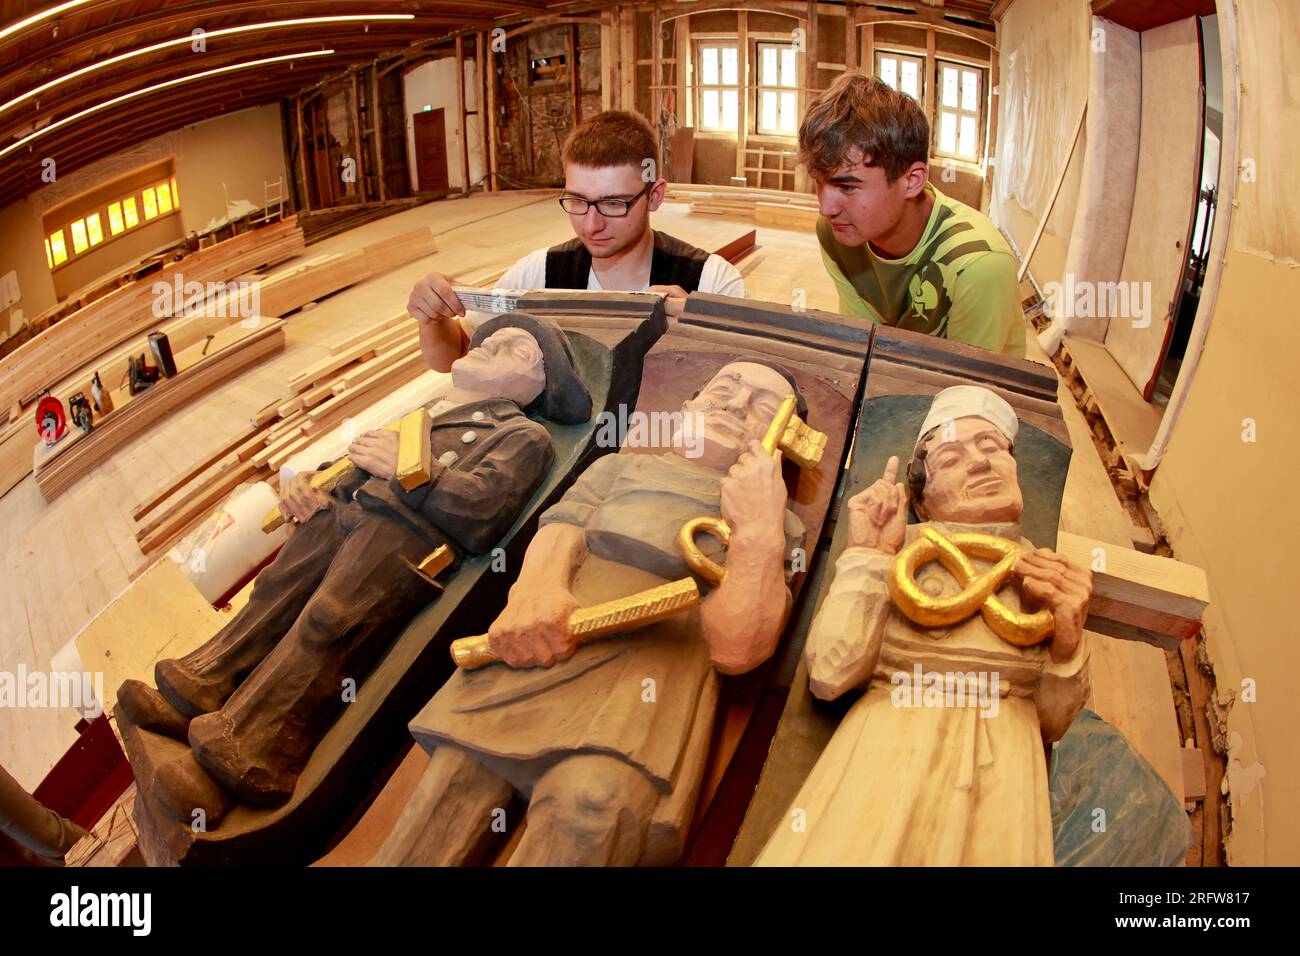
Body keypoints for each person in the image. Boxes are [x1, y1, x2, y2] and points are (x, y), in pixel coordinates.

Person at [116, 314, 591, 822]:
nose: (491, 344)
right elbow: (358, 466)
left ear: (540, 385)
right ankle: (205, 681)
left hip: (408, 544)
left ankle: (248, 752)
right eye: (491, 339)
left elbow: (481, 516)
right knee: (280, 584)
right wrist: (316, 485)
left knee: (328, 620)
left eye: (517, 349)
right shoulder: (434, 412)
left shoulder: (523, 437)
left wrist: (416, 471)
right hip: (358, 517)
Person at [373, 360, 807, 867]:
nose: (734, 404)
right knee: (455, 779)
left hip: (651, 677)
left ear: (783, 437)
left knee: (592, 802)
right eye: (725, 388)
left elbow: (737, 649)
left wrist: (758, 529)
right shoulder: (619, 468)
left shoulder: (780, 524)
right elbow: (561, 531)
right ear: (687, 405)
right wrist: (536, 596)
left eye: (761, 407)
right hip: (549, 636)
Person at [756, 386, 1090, 866]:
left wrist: (1067, 643)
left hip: (1004, 779)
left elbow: (1053, 724)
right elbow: (830, 674)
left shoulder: (1048, 579)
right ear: (923, 500)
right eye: (951, 459)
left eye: (992, 448)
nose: (979, 464)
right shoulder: (897, 560)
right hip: (890, 757)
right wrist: (866, 556)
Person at [409, 110, 746, 371]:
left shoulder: (712, 281)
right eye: (578, 201)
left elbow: (748, 384)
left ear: (655, 196)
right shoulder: (539, 274)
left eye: (614, 203)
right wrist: (434, 318)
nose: (591, 224)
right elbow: (456, 354)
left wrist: (696, 335)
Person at [800, 72, 1026, 357]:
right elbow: (863, 347)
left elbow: (967, 392)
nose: (825, 208)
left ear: (912, 180)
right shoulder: (835, 233)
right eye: (819, 182)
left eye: (847, 186)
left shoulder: (979, 265)